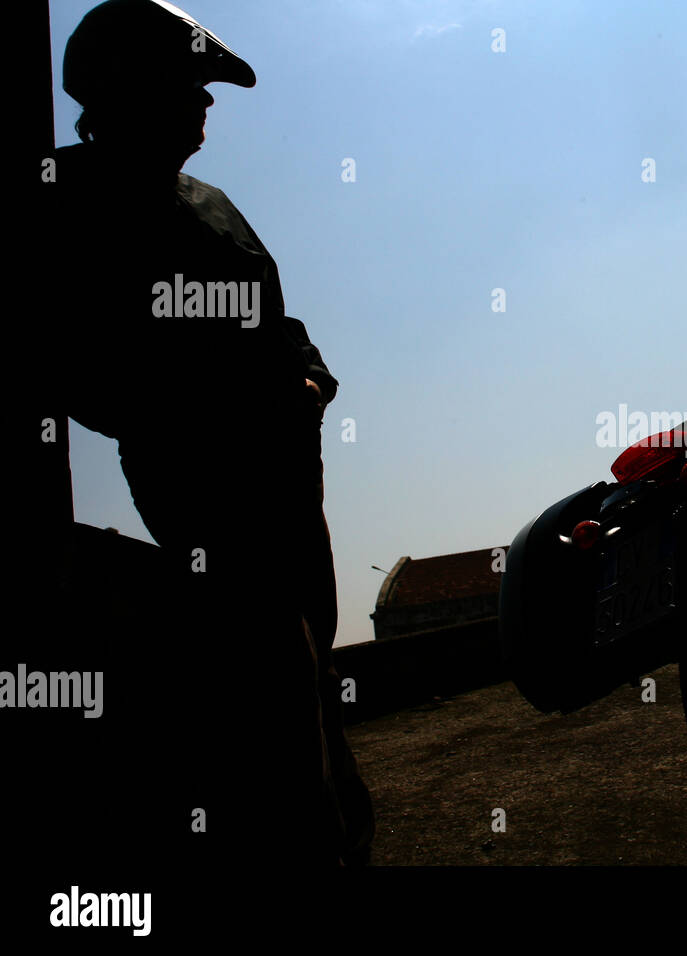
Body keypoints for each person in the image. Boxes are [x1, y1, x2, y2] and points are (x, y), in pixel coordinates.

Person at [44, 0, 373, 867]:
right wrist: (189, 404)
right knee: (269, 658)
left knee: (308, 660)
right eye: (191, 84)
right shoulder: (64, 192)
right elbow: (71, 357)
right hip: (202, 480)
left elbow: (277, 321)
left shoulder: (212, 201)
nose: (208, 104)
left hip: (288, 475)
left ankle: (339, 834)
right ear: (134, 89)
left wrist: (309, 380)